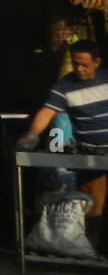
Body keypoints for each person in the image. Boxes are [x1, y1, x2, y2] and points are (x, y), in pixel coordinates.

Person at [19, 39, 108, 250]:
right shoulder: (64, 86)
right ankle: (91, 252)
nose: (79, 68)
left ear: (97, 62)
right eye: (75, 63)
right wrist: (32, 134)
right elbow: (47, 112)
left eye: (84, 64)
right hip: (90, 156)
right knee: (93, 209)